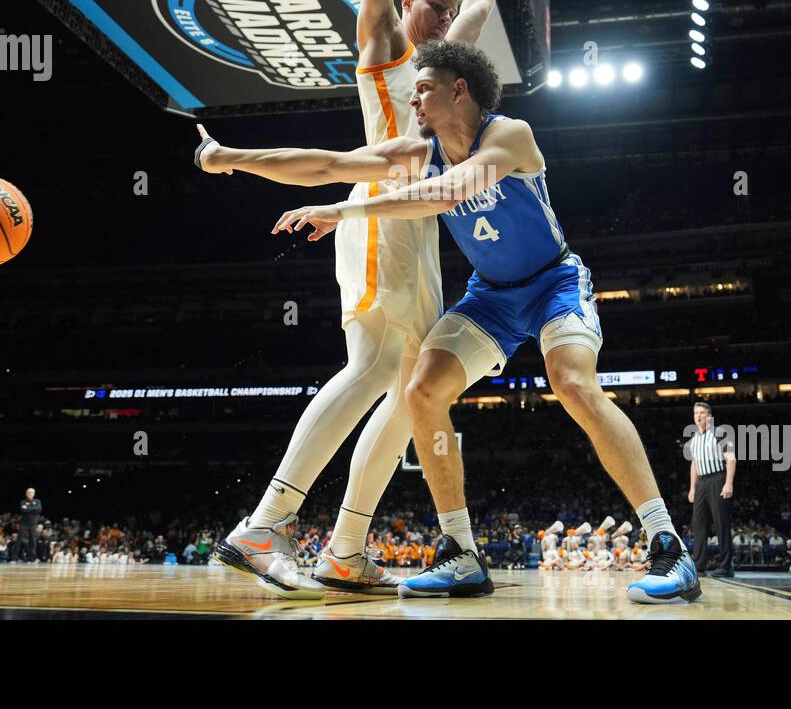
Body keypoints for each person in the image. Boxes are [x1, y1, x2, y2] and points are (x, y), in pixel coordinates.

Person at [198, 0, 501, 600]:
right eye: (430, 6)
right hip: (373, 220)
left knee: (414, 393)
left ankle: (344, 548)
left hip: (424, 237)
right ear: (404, 7)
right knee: (371, 371)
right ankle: (262, 525)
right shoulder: (384, 48)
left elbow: (476, 15)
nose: (440, 19)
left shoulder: (446, 71)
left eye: (445, 12)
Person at [265, 40, 702, 604]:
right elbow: (328, 163)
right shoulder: (420, 150)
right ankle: (461, 553)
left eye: (423, 88)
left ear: (459, 90)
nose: (414, 99)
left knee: (571, 384)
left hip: (553, 283)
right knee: (420, 390)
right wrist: (233, 157)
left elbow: (450, 192)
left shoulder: (509, 134)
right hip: (491, 296)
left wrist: (342, 210)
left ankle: (668, 543)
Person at [687, 401, 735, 577]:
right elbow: (693, 464)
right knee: (698, 523)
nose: (698, 416)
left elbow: (731, 459)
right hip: (701, 482)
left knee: (721, 522)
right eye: (696, 413)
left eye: (702, 413)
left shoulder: (719, 433)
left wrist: (728, 483)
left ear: (709, 416)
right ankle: (699, 564)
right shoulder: (694, 439)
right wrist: (692, 488)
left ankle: (726, 565)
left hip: (717, 478)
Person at [14, 487, 42, 562]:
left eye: (31, 492)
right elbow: (23, 510)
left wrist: (28, 508)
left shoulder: (37, 501)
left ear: (34, 494)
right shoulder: (23, 502)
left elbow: (39, 509)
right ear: (26, 494)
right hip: (24, 523)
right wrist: (33, 509)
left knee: (33, 540)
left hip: (33, 524)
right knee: (19, 539)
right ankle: (15, 556)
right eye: (28, 492)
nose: (30, 494)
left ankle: (32, 558)